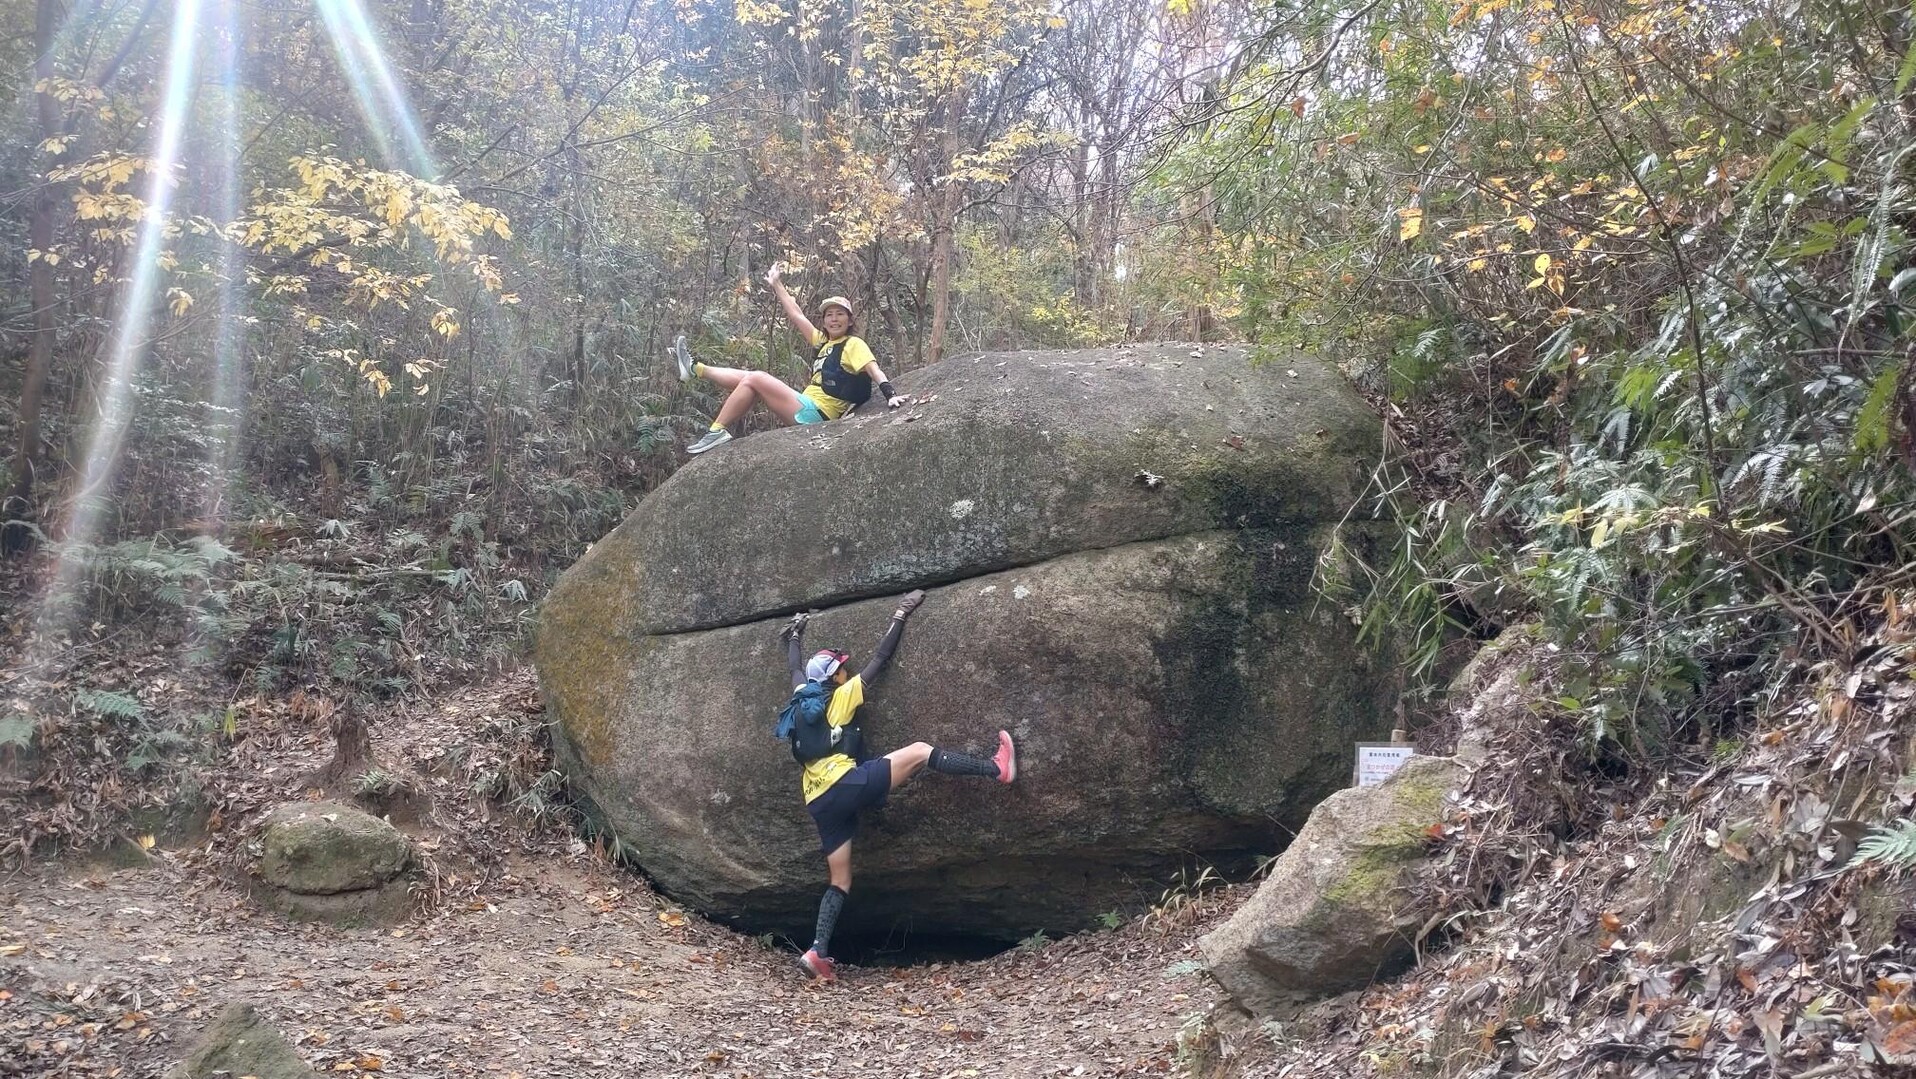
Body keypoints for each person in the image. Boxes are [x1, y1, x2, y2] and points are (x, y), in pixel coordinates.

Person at [778, 590, 1016, 983]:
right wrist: (901, 614)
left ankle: (818, 952)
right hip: (846, 784)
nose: (846, 672)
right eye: (842, 668)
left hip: (818, 801)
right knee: (921, 751)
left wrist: (794, 636)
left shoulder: (802, 697)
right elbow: (880, 661)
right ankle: (996, 768)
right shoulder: (842, 696)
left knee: (840, 880)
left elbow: (794, 669)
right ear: (835, 676)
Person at [678, 264, 906, 454]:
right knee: (749, 379)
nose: (834, 319)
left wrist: (890, 394)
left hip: (817, 414)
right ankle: (695, 369)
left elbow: (873, 369)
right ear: (824, 320)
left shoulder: (853, 344)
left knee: (756, 377)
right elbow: (796, 314)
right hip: (805, 408)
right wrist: (776, 284)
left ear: (849, 320)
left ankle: (716, 430)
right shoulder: (822, 342)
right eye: (829, 315)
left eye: (840, 314)